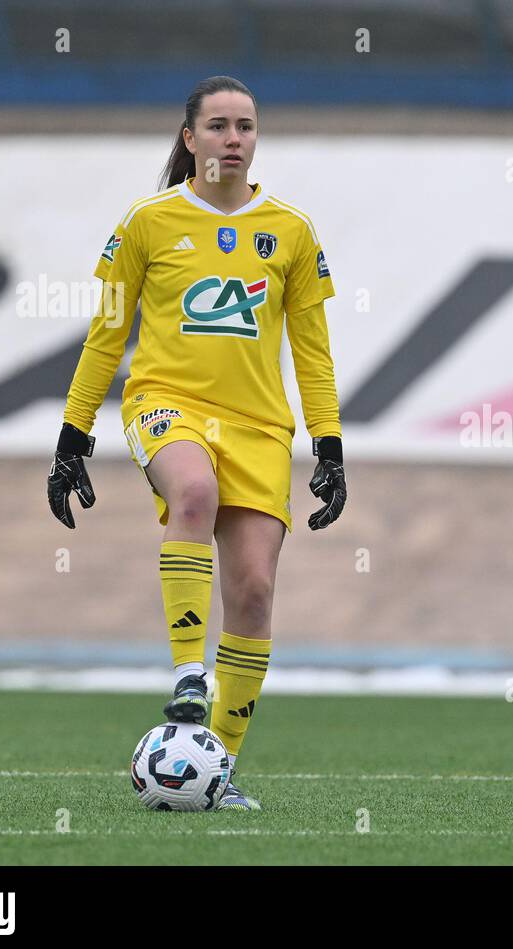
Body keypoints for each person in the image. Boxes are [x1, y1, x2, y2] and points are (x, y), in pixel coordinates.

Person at [46, 75, 346, 810]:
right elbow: (107, 334)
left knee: (252, 591)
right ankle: (188, 671)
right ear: (190, 139)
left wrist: (329, 446)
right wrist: (71, 436)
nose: (233, 139)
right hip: (166, 403)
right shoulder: (148, 222)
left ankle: (218, 765)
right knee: (194, 491)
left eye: (245, 125)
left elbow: (313, 351)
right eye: (217, 126)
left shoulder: (293, 230)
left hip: (259, 426)